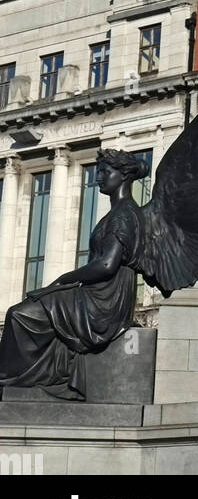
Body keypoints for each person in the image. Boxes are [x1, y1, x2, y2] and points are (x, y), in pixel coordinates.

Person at [0, 150, 146, 400]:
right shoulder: (116, 213)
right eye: (98, 171)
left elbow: (107, 264)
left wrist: (62, 280)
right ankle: (35, 379)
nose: (100, 177)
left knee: (20, 315)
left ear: (123, 176)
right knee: (29, 310)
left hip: (106, 299)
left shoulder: (125, 215)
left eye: (105, 172)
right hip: (96, 292)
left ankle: (12, 381)